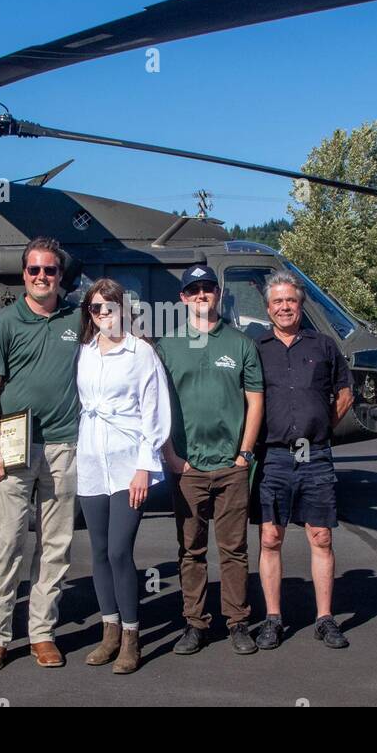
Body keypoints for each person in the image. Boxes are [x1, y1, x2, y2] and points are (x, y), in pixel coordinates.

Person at [0, 237, 81, 671]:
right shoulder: (5, 323)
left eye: (50, 270)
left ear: (60, 275)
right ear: (24, 275)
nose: (42, 277)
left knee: (55, 546)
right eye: (35, 270)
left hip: (65, 444)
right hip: (15, 445)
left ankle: (42, 632)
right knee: (8, 542)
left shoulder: (78, 317)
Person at [156, 265, 264, 656]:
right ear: (183, 297)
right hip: (188, 468)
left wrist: (244, 454)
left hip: (231, 467)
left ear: (218, 294)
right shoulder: (167, 347)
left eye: (207, 288)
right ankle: (195, 623)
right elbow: (157, 405)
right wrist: (170, 454)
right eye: (193, 289)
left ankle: (237, 622)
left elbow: (255, 401)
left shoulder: (240, 344)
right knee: (190, 550)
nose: (201, 295)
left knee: (234, 549)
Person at [75, 279, 171, 674]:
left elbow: (155, 412)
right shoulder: (85, 351)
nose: (103, 315)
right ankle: (109, 630)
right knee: (97, 551)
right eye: (96, 308)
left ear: (123, 310)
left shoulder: (141, 352)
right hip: (92, 460)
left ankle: (132, 636)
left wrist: (144, 467)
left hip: (129, 462)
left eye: (109, 308)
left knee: (118, 550)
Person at [254, 270, 354, 650]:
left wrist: (320, 426)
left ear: (301, 305)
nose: (284, 307)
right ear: (268, 308)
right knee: (270, 537)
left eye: (291, 301)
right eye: (277, 301)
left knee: (321, 536)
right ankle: (273, 619)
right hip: (274, 456)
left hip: (315, 454)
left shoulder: (324, 346)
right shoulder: (257, 348)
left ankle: (325, 618)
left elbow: (344, 394)